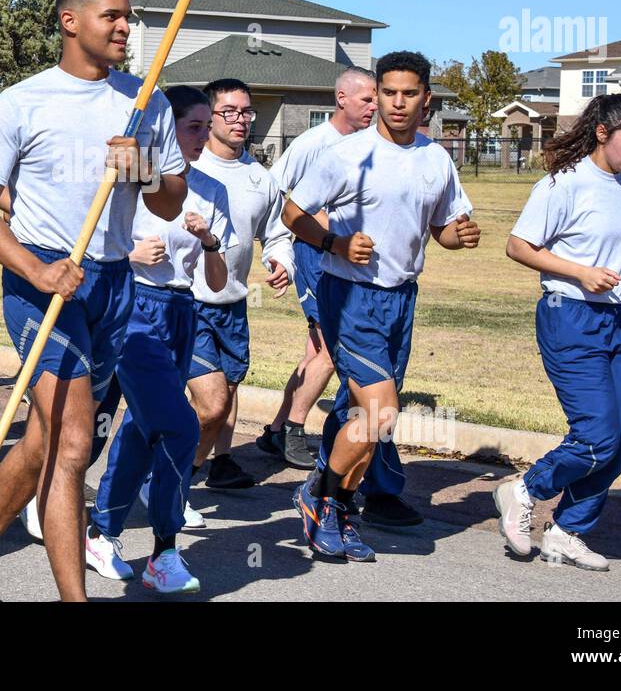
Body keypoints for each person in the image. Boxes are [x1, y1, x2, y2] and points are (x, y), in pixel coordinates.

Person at [0, 0, 186, 602]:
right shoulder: (23, 102)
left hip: (112, 283)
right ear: (70, 21)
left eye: (128, 18)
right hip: (43, 281)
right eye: (113, 17)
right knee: (75, 443)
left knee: (50, 438)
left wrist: (143, 168)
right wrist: (34, 269)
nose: (126, 27)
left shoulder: (145, 102)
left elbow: (169, 201)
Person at [284, 52, 479, 560]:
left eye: (408, 93)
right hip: (349, 295)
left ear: (425, 99)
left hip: (401, 298)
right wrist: (336, 245)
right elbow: (292, 213)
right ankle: (319, 496)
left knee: (366, 417)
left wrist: (460, 236)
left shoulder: (436, 158)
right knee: (380, 412)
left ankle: (342, 512)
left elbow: (441, 229)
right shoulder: (349, 153)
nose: (396, 102)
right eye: (388, 92)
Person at [496, 94, 621, 570]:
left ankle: (567, 532)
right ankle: (525, 488)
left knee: (615, 442)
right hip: (569, 314)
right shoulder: (564, 184)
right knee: (596, 436)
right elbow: (518, 245)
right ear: (602, 133)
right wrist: (579, 272)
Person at [86, 85, 231, 594]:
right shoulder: (139, 179)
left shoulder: (213, 189)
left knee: (143, 428)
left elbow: (216, 281)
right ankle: (164, 551)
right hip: (134, 307)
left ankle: (101, 531)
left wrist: (210, 241)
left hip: (182, 310)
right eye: (192, 126)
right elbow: (92, 247)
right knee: (180, 427)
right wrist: (130, 258)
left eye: (205, 125)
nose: (201, 135)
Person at [260, 68, 377, 469]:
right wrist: (277, 254)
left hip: (343, 257)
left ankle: (274, 431)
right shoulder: (314, 143)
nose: (374, 106)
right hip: (312, 254)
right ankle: (294, 429)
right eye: (367, 99)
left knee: (314, 351)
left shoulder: (367, 144)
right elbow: (274, 192)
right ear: (341, 98)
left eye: (376, 99)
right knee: (331, 350)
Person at [187, 79, 294, 494]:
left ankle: (219, 462)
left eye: (246, 112)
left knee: (227, 390)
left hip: (232, 302)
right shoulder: (189, 168)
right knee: (211, 401)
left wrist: (279, 260)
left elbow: (278, 232)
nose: (240, 120)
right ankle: (177, 472)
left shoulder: (259, 177)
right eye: (229, 111)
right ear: (210, 116)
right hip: (188, 299)